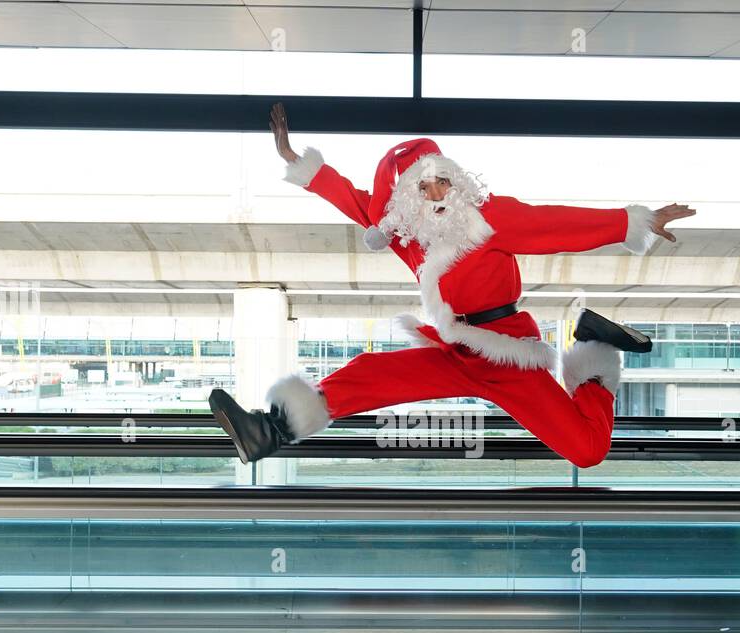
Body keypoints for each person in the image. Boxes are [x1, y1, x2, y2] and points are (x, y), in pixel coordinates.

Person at [209, 102, 695, 467]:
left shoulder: (490, 218)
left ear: (456, 180)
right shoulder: (409, 236)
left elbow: (557, 224)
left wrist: (635, 221)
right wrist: (299, 162)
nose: (438, 192)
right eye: (424, 186)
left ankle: (593, 346)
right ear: (409, 199)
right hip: (454, 350)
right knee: (373, 372)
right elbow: (359, 204)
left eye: (443, 180)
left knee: (587, 451)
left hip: (505, 351)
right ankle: (269, 430)